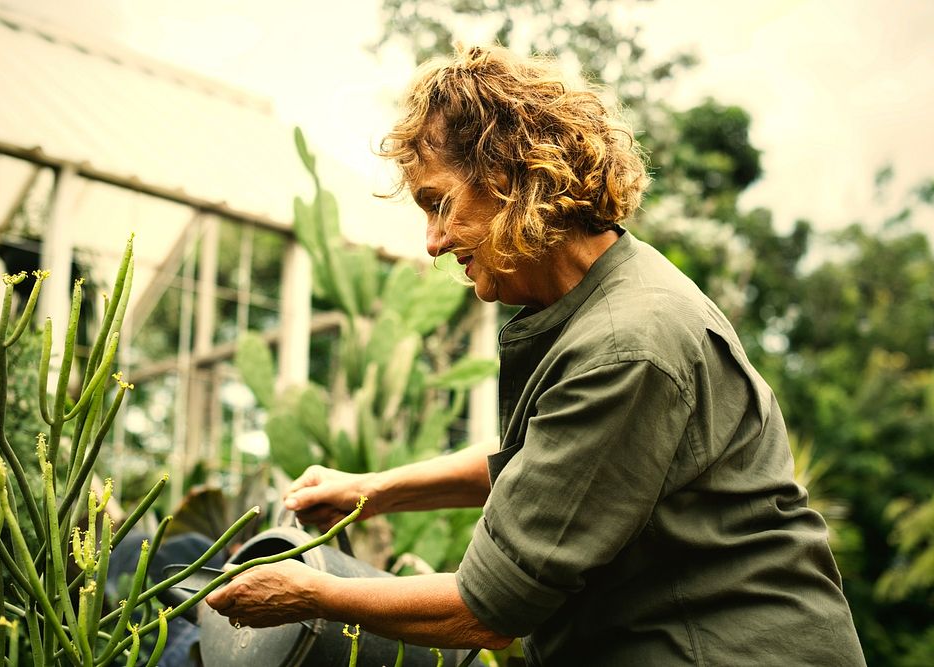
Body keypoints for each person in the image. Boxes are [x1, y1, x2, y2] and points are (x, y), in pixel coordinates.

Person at [206, 45, 867, 665]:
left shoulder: (625, 343)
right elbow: (549, 467)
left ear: (508, 175)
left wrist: (308, 593)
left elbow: (487, 611)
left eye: (439, 203)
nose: (432, 242)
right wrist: (370, 492)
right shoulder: (601, 297)